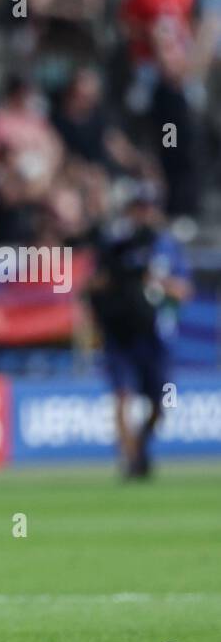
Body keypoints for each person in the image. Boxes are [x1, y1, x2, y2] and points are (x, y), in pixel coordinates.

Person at [86, 182, 192, 479]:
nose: (144, 214)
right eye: (138, 208)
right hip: (121, 333)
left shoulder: (167, 246)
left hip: (155, 335)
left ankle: (141, 446)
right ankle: (129, 460)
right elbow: (93, 284)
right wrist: (119, 277)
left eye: (148, 208)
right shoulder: (113, 244)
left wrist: (156, 281)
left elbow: (184, 290)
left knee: (160, 404)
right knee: (122, 396)